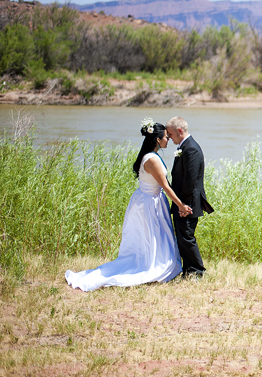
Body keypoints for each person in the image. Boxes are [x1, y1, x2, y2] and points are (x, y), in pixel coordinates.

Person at [65, 119, 192, 291]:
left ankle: (152, 260)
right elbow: (166, 187)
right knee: (150, 237)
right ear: (157, 140)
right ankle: (150, 265)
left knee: (152, 238)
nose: (168, 139)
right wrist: (181, 205)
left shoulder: (151, 155)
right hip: (149, 204)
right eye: (165, 137)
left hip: (149, 200)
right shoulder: (152, 159)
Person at [166, 116, 213, 278]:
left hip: (189, 203)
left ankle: (197, 271)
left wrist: (183, 205)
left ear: (179, 131)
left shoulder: (191, 148)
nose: (169, 137)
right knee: (182, 236)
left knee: (186, 236)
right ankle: (188, 271)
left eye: (170, 134)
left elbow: (191, 181)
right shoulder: (185, 146)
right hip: (184, 203)